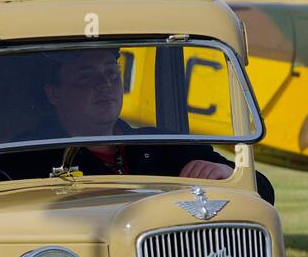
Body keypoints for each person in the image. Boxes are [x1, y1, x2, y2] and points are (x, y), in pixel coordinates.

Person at [15, 47, 275, 204]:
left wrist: (224, 173)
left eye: (112, 72)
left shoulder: (163, 144)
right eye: (86, 76)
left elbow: (263, 192)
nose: (105, 84)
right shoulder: (29, 158)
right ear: (54, 93)